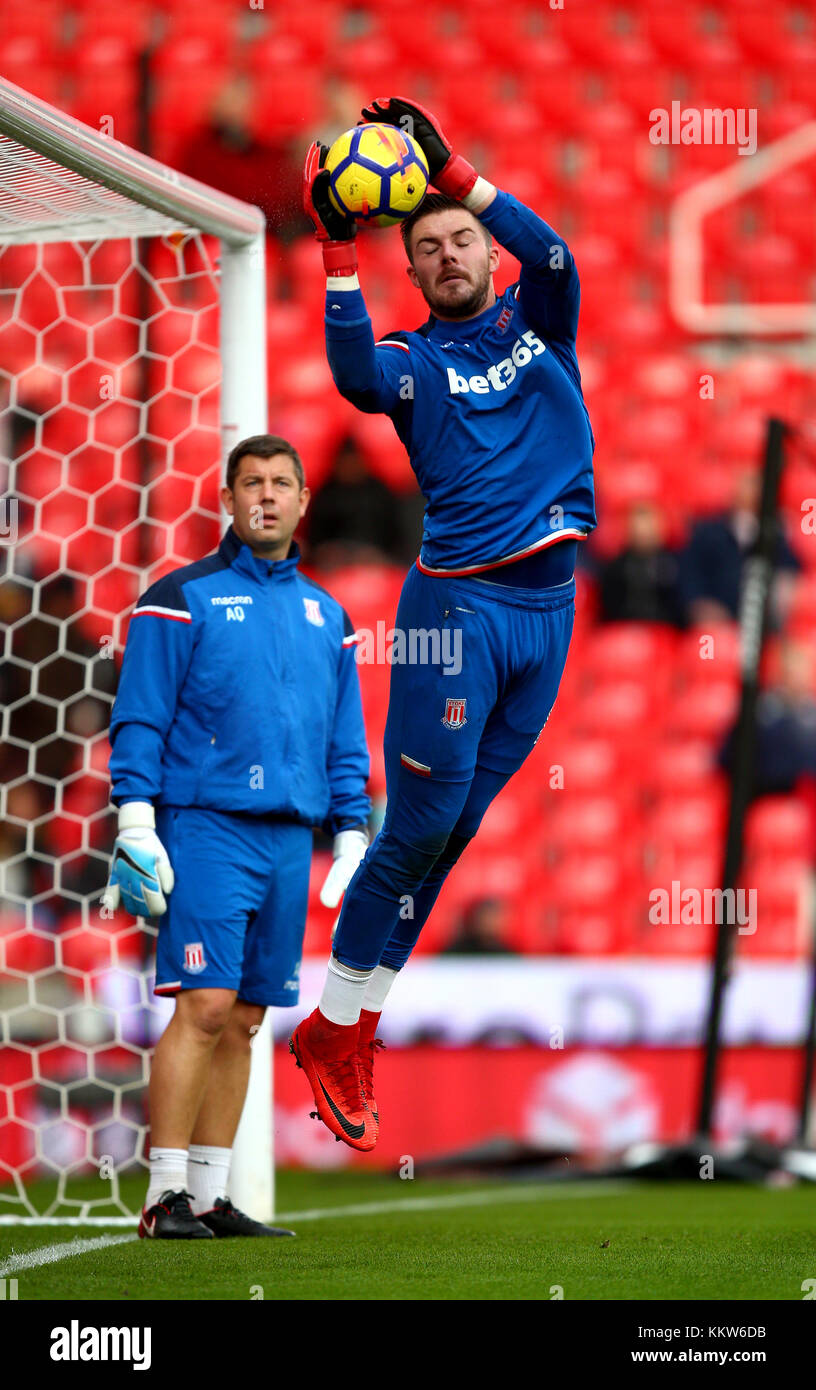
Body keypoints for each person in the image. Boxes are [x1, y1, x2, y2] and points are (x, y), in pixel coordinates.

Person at [289, 96, 596, 1151]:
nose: (453, 253)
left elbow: (552, 253)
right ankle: (332, 1026)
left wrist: (458, 172)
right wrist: (337, 247)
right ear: (411, 274)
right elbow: (353, 375)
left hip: (549, 612)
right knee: (418, 827)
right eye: (429, 248)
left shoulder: (537, 316)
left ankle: (352, 1026)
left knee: (453, 836)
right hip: (458, 611)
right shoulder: (413, 361)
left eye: (463, 238)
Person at [103, 434, 371, 1236]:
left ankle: (212, 1199)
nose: (265, 496)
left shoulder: (330, 615)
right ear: (227, 499)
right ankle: (162, 1197)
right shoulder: (179, 597)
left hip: (291, 839)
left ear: (301, 501)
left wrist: (352, 829)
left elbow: (344, 735)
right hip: (207, 826)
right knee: (207, 1004)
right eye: (249, 483)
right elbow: (141, 715)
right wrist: (136, 817)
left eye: (280, 483)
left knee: (250, 1016)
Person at [679, 469, 800, 628]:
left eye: (755, 485)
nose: (751, 491)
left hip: (762, 619)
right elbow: (689, 573)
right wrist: (698, 603)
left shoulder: (774, 531)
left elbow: (789, 568)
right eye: (746, 485)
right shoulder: (708, 531)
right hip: (715, 616)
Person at [596, 499, 684, 626]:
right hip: (625, 633)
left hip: (665, 632)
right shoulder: (615, 568)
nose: (644, 534)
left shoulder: (674, 565)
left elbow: (679, 608)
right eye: (640, 531)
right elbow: (607, 610)